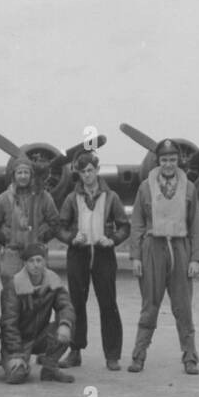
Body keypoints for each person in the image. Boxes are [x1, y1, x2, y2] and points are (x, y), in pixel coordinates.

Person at [128, 138, 199, 375]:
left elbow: (195, 225)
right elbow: (137, 223)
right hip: (153, 248)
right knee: (149, 306)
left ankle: (190, 357)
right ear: (157, 162)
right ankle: (139, 356)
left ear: (178, 160)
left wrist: (195, 259)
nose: (168, 164)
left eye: (172, 159)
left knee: (183, 307)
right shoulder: (144, 187)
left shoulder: (189, 188)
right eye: (164, 160)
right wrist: (136, 257)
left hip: (179, 248)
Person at [56, 151, 131, 370]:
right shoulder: (71, 198)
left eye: (90, 170)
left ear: (97, 171)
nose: (87, 175)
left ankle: (112, 355)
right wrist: (71, 237)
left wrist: (113, 240)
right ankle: (75, 351)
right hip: (78, 254)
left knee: (108, 304)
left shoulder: (112, 197)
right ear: (78, 174)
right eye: (83, 171)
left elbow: (124, 226)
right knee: (76, 304)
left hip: (103, 254)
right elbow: (59, 227)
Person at [0, 242, 75, 384]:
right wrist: (16, 354)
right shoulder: (13, 285)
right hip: (17, 341)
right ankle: (15, 360)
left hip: (40, 336)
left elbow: (66, 306)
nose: (36, 265)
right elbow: (8, 323)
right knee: (16, 377)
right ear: (25, 264)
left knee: (69, 323)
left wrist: (65, 324)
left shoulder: (53, 281)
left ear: (44, 262)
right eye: (31, 261)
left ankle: (49, 369)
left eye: (39, 260)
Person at [0, 155, 59, 282]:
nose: (23, 176)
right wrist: (5, 238)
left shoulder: (44, 197)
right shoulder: (3, 198)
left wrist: (42, 236)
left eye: (26, 172)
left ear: (31, 175)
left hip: (36, 254)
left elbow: (55, 223)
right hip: (12, 255)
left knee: (38, 293)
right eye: (19, 172)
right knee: (11, 293)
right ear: (13, 175)